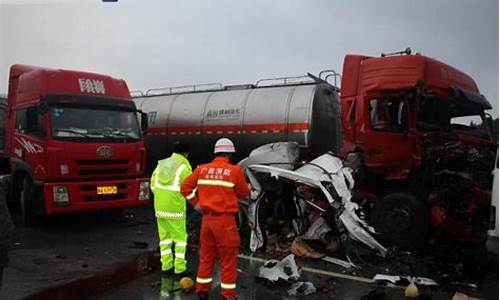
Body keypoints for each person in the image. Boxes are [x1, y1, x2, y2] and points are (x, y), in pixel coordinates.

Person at [181, 138, 250, 300]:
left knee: (206, 257)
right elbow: (243, 193)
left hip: (207, 221)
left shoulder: (202, 169)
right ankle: (228, 295)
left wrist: (196, 204)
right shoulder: (234, 171)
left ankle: (202, 291)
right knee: (228, 259)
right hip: (225, 222)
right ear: (229, 154)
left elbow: (185, 187)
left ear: (216, 153)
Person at [150, 141, 194, 276]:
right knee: (180, 240)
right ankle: (180, 269)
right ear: (185, 153)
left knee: (165, 239)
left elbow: (152, 186)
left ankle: (166, 266)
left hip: (159, 208)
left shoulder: (161, 165)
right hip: (175, 209)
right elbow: (190, 188)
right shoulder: (184, 167)